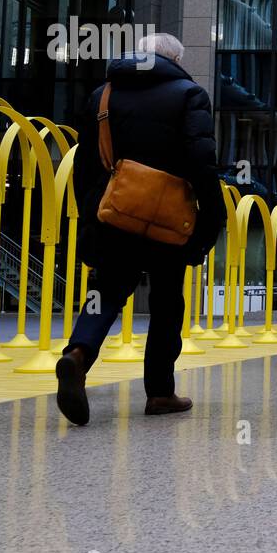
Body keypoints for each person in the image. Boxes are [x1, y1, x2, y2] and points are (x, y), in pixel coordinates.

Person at [54, 33, 225, 425]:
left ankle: (77, 355)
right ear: (175, 59)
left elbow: (85, 166)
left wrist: (91, 212)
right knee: (167, 302)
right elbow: (202, 161)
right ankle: (160, 393)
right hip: (167, 219)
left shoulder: (103, 95)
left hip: (115, 214)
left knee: (105, 291)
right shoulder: (189, 94)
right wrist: (211, 219)